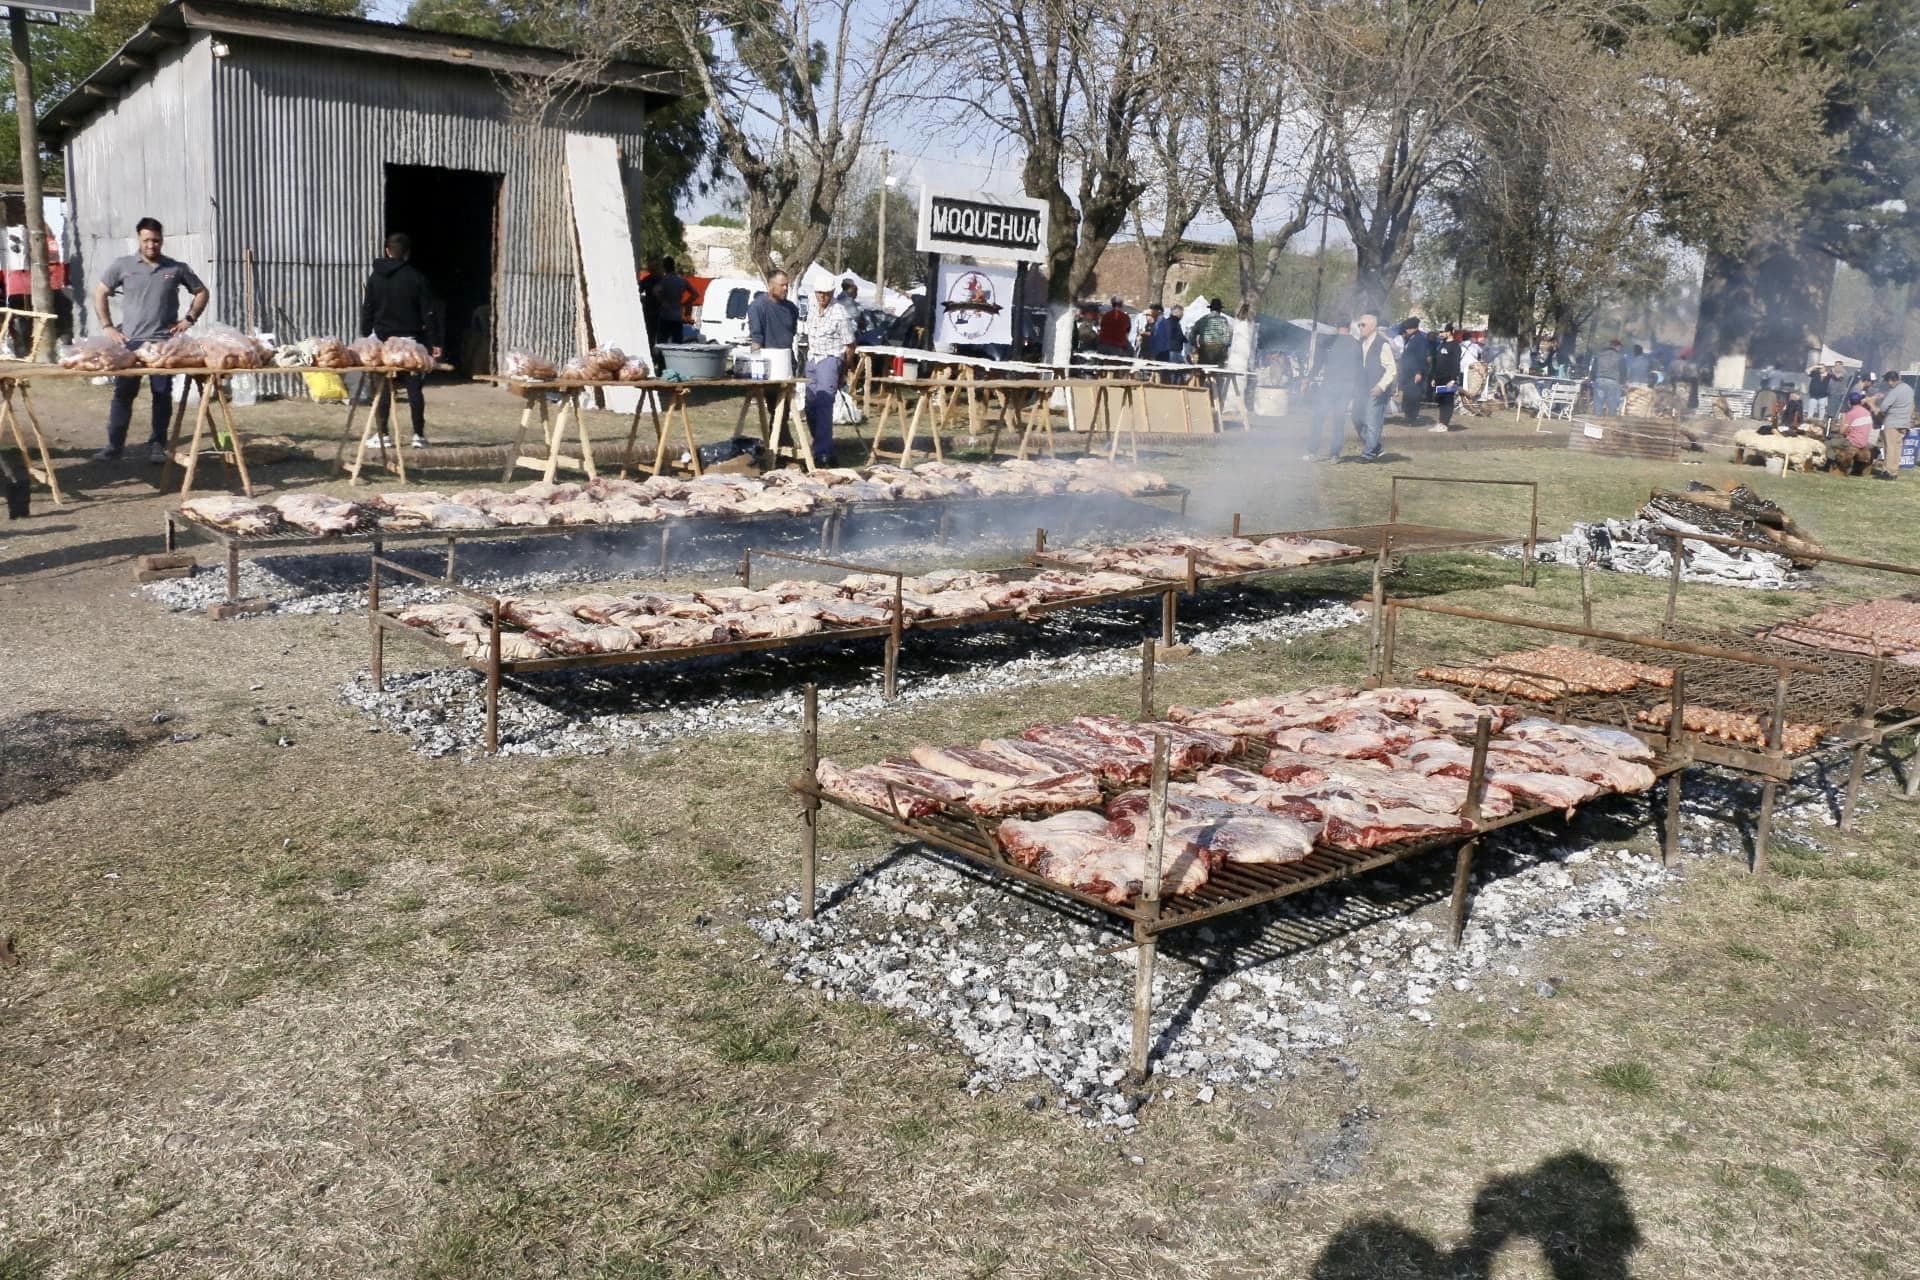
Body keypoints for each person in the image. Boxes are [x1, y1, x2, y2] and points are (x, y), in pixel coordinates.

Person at [90, 216, 208, 462]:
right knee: (123, 393)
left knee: (161, 394)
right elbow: (100, 292)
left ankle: (157, 446)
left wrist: (189, 318)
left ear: (162, 241)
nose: (151, 245)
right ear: (139, 239)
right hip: (130, 343)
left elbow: (201, 292)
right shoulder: (122, 265)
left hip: (163, 345)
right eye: (146, 240)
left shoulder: (176, 268)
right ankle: (114, 447)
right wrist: (108, 326)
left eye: (156, 240)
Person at [359, 232, 443, 449]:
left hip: (381, 342)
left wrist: (365, 336)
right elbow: (428, 313)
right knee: (414, 387)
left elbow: (368, 309)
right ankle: (418, 435)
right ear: (407, 254)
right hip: (409, 343)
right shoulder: (417, 278)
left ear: (387, 251)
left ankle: (383, 435)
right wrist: (434, 342)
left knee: (382, 387)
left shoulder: (375, 277)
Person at [803, 282, 855, 466]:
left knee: (824, 404)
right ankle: (818, 443)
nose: (822, 297)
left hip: (830, 359)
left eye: (826, 293)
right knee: (809, 404)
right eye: (819, 293)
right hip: (812, 359)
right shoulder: (812, 309)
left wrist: (843, 369)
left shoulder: (840, 312)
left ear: (832, 292)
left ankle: (824, 452)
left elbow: (849, 344)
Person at [1307, 320, 1360, 459]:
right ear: (1349, 327)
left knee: (1319, 417)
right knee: (1339, 420)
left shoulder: (1329, 341)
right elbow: (1360, 369)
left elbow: (1318, 362)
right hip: (1346, 388)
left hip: (1329, 386)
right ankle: (1334, 455)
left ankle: (1312, 452)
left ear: (1337, 327)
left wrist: (1308, 378)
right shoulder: (1356, 344)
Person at [1348, 312, 1396, 462]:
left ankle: (1368, 454)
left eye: (1363, 325)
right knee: (1356, 417)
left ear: (1373, 326)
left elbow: (1392, 369)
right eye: (1359, 325)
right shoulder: (1360, 342)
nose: (1360, 327)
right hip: (1361, 389)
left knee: (1372, 421)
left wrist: (1381, 386)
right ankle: (1376, 447)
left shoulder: (1383, 344)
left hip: (1377, 390)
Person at [1869, 370, 1915, 480]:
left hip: (1893, 422)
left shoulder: (1895, 390)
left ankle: (1887, 472)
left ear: (1890, 380)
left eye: (1887, 381)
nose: (1887, 384)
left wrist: (1875, 406)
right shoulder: (1909, 389)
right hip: (1904, 423)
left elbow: (1884, 406)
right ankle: (1894, 471)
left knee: (1889, 447)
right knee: (1897, 448)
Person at [747, 269, 799, 357]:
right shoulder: (758, 307)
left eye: (786, 285)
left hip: (787, 359)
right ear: (771, 286)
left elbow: (792, 333)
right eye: (782, 285)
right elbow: (756, 339)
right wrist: (757, 363)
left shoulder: (791, 308)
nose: (785, 288)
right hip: (768, 359)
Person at [647, 256, 693, 345]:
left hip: (665, 315)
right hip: (677, 316)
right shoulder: (681, 280)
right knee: (677, 343)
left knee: (662, 343)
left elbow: (655, 290)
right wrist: (685, 303)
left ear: (664, 267)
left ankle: (661, 358)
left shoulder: (664, 280)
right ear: (673, 266)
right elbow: (695, 294)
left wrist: (662, 301)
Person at [1829, 389, 1876, 475]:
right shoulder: (1867, 412)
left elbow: (1842, 431)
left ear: (1849, 402)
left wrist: (1843, 418)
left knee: (1830, 443)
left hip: (1853, 442)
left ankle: (1831, 464)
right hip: (1864, 442)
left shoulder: (1851, 413)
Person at [1395, 318, 1430, 424]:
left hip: (1414, 372)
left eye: (1408, 328)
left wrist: (1419, 372)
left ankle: (1412, 417)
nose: (1406, 330)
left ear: (1413, 328)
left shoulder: (1420, 339)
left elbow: (1421, 356)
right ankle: (1407, 415)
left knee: (1413, 395)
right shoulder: (1411, 338)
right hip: (1408, 371)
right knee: (1408, 394)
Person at [1428, 328, 1463, 432]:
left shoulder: (1455, 346)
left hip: (1448, 378)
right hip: (1439, 378)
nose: (1441, 334)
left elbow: (1456, 364)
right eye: (1439, 332)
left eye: (1443, 331)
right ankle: (1441, 422)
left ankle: (1444, 424)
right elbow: (1437, 362)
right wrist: (1434, 377)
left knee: (1447, 401)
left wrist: (1453, 379)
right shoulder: (1441, 344)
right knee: (1441, 400)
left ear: (1450, 331)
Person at [1187, 298, 1233, 367]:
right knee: (1217, 371)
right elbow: (1227, 337)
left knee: (1203, 370)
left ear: (1210, 309)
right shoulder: (1224, 321)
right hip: (1219, 351)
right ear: (1220, 310)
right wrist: (1225, 347)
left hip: (1205, 350)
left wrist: (1196, 346)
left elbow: (1191, 334)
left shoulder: (1203, 319)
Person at [1589, 339, 1626, 418]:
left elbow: (1594, 369)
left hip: (1599, 380)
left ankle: (1596, 424)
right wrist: (1622, 383)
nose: (1620, 349)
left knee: (1598, 404)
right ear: (1617, 346)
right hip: (1613, 382)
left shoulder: (1599, 355)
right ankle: (1610, 424)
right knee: (1612, 405)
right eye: (1620, 347)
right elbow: (1623, 371)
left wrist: (1592, 379)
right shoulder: (1620, 357)